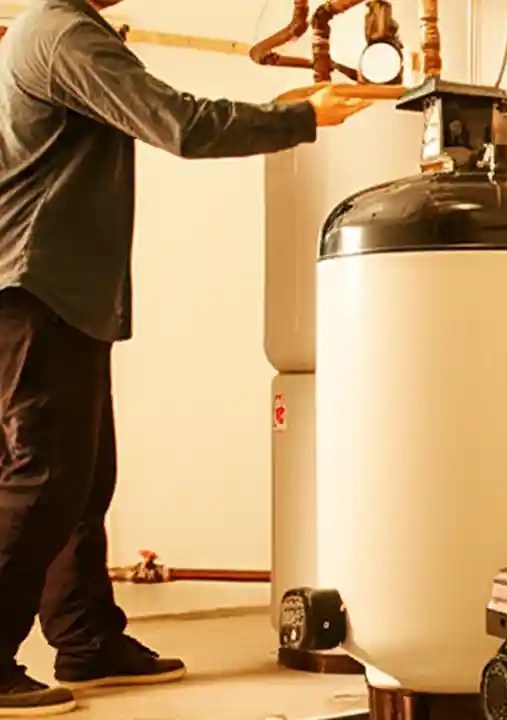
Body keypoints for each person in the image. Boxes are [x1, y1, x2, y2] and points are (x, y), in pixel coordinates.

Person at [0, 0, 372, 715]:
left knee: (82, 480)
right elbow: (179, 122)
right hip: (37, 288)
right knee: (45, 479)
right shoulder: (60, 30)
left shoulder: (44, 31)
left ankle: (87, 639)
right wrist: (303, 120)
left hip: (53, 292)